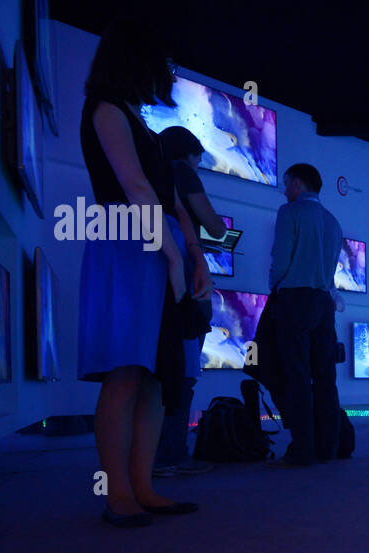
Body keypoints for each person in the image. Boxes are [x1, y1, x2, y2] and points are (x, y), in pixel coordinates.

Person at [77, 19, 210, 527]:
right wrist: (176, 256)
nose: (168, 74)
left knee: (157, 375)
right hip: (129, 246)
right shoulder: (107, 111)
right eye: (163, 64)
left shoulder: (135, 117)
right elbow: (134, 188)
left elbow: (168, 197)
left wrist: (192, 253)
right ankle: (120, 495)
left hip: (156, 247)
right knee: (128, 370)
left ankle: (143, 486)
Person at [153, 126, 220, 477]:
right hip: (186, 279)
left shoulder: (151, 169)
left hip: (157, 274)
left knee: (158, 373)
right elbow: (215, 226)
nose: (198, 167)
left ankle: (151, 456)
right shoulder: (181, 172)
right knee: (184, 373)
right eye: (198, 160)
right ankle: (171, 456)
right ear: (188, 154)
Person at [267, 163, 343, 466]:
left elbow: (280, 260)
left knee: (296, 375)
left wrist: (275, 287)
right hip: (324, 303)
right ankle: (328, 447)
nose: (285, 191)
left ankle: (303, 449)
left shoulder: (290, 212)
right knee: (326, 377)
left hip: (294, 300)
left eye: (287, 184)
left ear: (297, 184)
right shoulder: (332, 221)